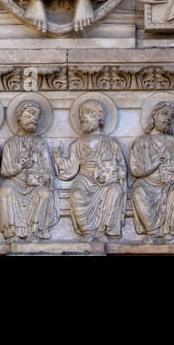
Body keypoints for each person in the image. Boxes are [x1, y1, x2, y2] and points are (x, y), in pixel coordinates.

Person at [53, 98, 126, 241]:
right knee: (77, 193)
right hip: (84, 178)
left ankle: (104, 230)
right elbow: (69, 168)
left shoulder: (111, 144)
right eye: (81, 116)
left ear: (99, 116)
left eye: (87, 114)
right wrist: (57, 157)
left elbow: (121, 166)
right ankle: (88, 230)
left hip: (106, 182)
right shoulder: (77, 144)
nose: (83, 118)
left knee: (116, 190)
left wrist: (118, 173)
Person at [130, 99, 174, 242]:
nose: (168, 118)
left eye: (172, 116)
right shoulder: (141, 142)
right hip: (147, 183)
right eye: (164, 113)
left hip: (169, 184)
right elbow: (135, 170)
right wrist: (154, 164)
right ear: (154, 115)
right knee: (138, 191)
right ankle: (151, 231)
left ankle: (172, 230)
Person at [0, 100, 56, 240]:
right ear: (19, 117)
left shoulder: (40, 143)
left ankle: (36, 229)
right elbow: (5, 171)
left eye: (36, 116)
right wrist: (21, 165)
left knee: (44, 193)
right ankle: (10, 230)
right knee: (5, 191)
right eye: (30, 114)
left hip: (35, 185)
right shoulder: (11, 143)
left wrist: (41, 177)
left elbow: (48, 169)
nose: (34, 119)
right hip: (14, 183)